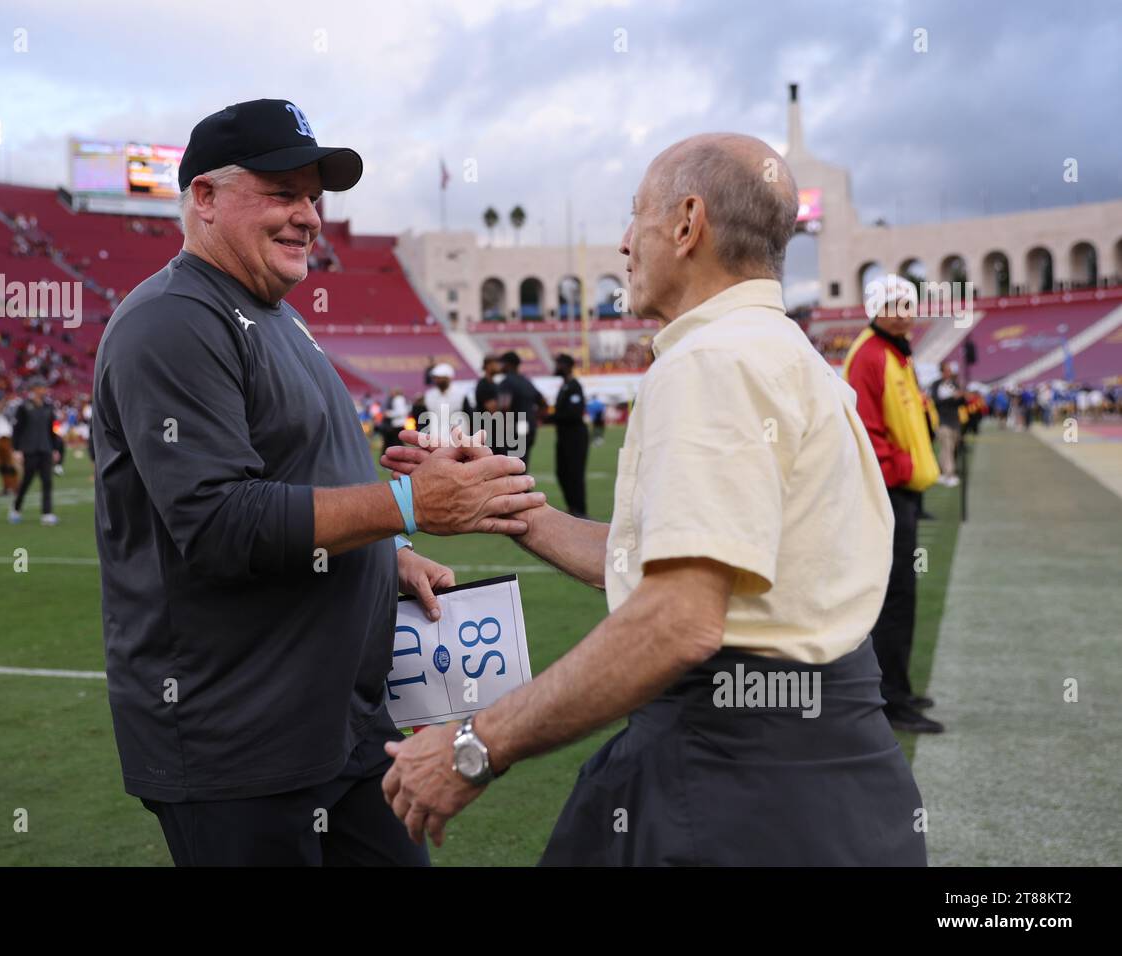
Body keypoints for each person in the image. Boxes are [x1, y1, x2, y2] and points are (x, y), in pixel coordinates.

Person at [379, 133, 926, 866]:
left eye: (634, 215)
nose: (622, 243)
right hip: (822, 768)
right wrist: (514, 511)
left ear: (687, 222)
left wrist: (476, 746)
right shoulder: (786, 353)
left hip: (734, 784)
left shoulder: (712, 362)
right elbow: (687, 570)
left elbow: (678, 619)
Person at [92, 99, 543, 867]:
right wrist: (408, 504)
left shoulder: (272, 314)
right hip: (242, 741)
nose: (309, 216)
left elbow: (299, 473)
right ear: (203, 198)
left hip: (343, 720)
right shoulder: (171, 321)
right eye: (282, 192)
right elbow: (219, 522)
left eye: (314, 197)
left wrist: (385, 551)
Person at [844, 275, 943, 734]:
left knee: (902, 596)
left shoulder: (895, 352)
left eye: (908, 302)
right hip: (890, 491)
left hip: (904, 490)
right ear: (875, 309)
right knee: (894, 600)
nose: (905, 311)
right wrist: (900, 471)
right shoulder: (870, 354)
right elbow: (867, 428)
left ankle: (898, 688)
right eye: (895, 303)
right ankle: (891, 701)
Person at [10, 385, 58, 525]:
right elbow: (17, 429)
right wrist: (17, 449)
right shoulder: (24, 407)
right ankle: (16, 508)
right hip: (29, 449)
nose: (44, 390)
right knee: (27, 481)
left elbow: (51, 430)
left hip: (45, 448)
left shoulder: (48, 407)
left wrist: (55, 448)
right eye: (41, 388)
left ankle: (47, 513)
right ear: (35, 389)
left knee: (47, 481)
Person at [551, 353, 589, 518]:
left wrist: (549, 417)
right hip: (564, 436)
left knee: (574, 473)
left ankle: (580, 511)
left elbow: (574, 413)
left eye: (558, 363)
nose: (556, 366)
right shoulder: (565, 386)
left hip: (575, 437)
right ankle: (572, 507)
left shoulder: (574, 386)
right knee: (562, 472)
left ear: (566, 365)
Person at [497, 351, 544, 470]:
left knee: (512, 468)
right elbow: (543, 404)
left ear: (508, 364)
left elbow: (504, 408)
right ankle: (523, 487)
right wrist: (536, 419)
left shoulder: (506, 382)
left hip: (514, 428)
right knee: (522, 465)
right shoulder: (527, 382)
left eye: (502, 363)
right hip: (529, 427)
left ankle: (519, 488)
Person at [931, 362, 963, 487]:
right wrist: (951, 398)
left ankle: (940, 471)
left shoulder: (954, 384)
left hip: (954, 421)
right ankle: (950, 474)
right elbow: (936, 401)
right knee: (947, 447)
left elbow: (960, 402)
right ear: (942, 371)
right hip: (942, 421)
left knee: (950, 448)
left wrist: (960, 397)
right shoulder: (936, 384)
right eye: (947, 370)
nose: (949, 372)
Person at [420, 362, 459, 439]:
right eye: (435, 378)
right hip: (435, 438)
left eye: (440, 378)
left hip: (455, 439)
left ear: (448, 378)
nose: (437, 380)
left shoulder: (460, 395)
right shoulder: (430, 395)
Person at [0, 401, 18, 495]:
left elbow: (13, 422)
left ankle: (15, 487)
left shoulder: (8, 412)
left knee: (10, 465)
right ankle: (6, 487)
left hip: (6, 439)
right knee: (2, 467)